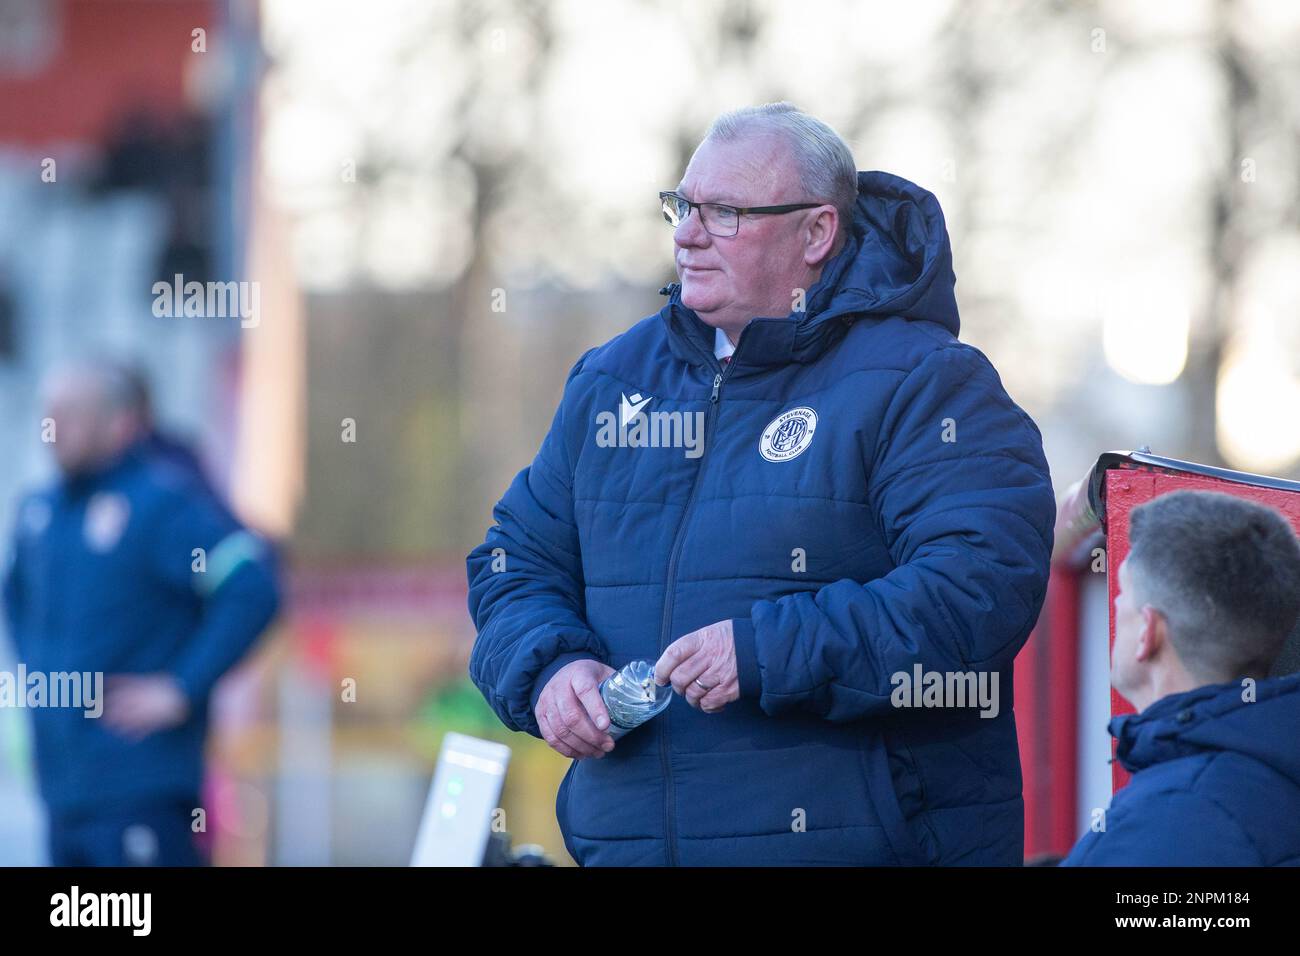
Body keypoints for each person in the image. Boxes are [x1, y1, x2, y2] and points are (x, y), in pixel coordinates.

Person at [466, 103, 1056, 866]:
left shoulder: (930, 384)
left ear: (816, 233)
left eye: (725, 212)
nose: (686, 234)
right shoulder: (612, 381)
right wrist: (549, 667)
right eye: (682, 206)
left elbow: (979, 591)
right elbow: (513, 561)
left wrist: (768, 651)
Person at [2, 359, 280, 865]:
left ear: (120, 423)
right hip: (61, 792)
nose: (51, 428)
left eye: (70, 414)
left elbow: (252, 588)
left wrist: (181, 687)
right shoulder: (38, 511)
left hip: (140, 790)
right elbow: (16, 600)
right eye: (47, 414)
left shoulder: (163, 504)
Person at [1062, 490, 1300, 866]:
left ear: (1148, 632)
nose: (1118, 604)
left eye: (1124, 592)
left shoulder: (1165, 824)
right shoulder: (1272, 773)